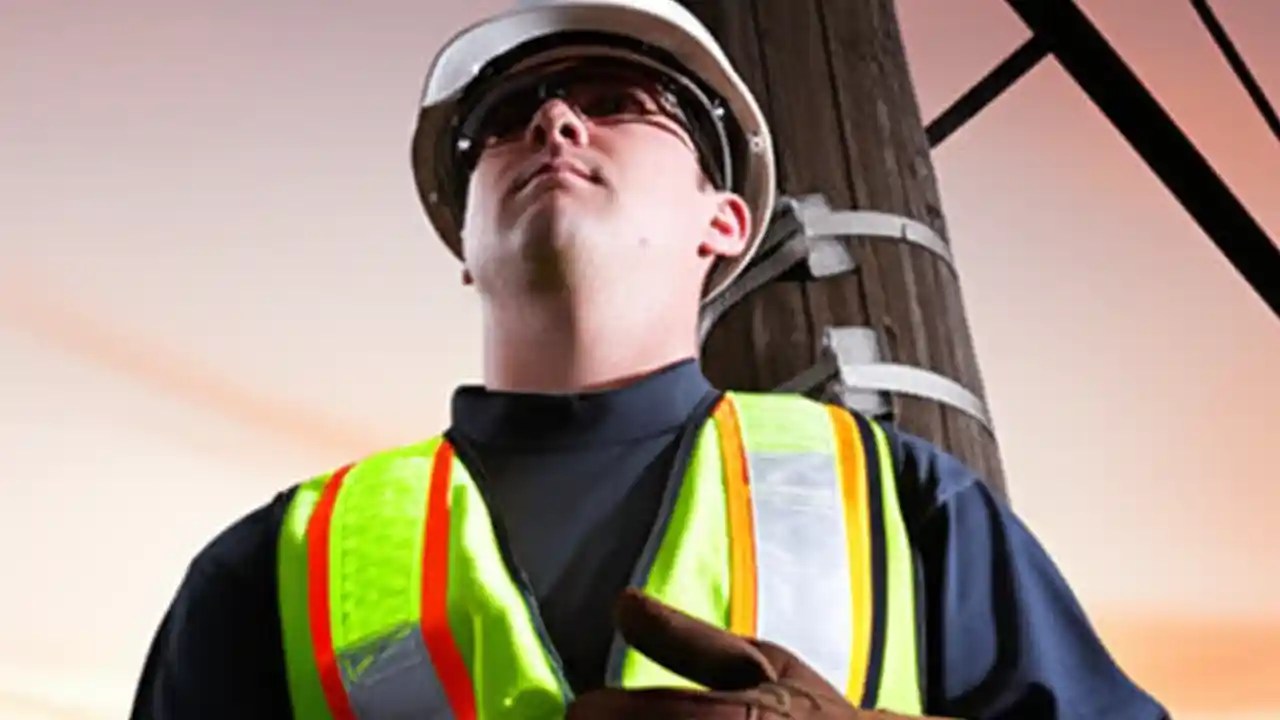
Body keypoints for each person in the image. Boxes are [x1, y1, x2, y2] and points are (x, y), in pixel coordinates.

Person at [130, 0, 1168, 718]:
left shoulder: (902, 502)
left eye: (619, 101)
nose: (552, 119)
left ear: (721, 221)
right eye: (500, 123)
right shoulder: (272, 565)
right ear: (463, 245)